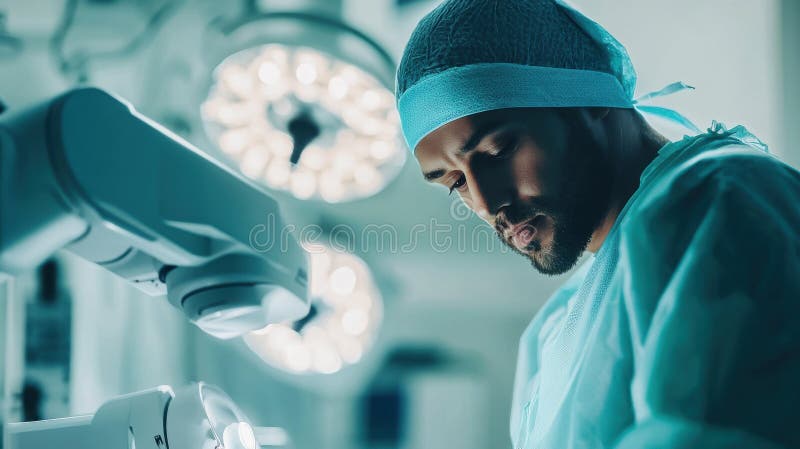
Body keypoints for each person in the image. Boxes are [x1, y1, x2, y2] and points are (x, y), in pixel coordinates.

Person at [394, 1, 800, 448]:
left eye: (498, 151)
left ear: (589, 98)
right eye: (455, 182)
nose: (488, 204)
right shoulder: (552, 333)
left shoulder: (719, 201)